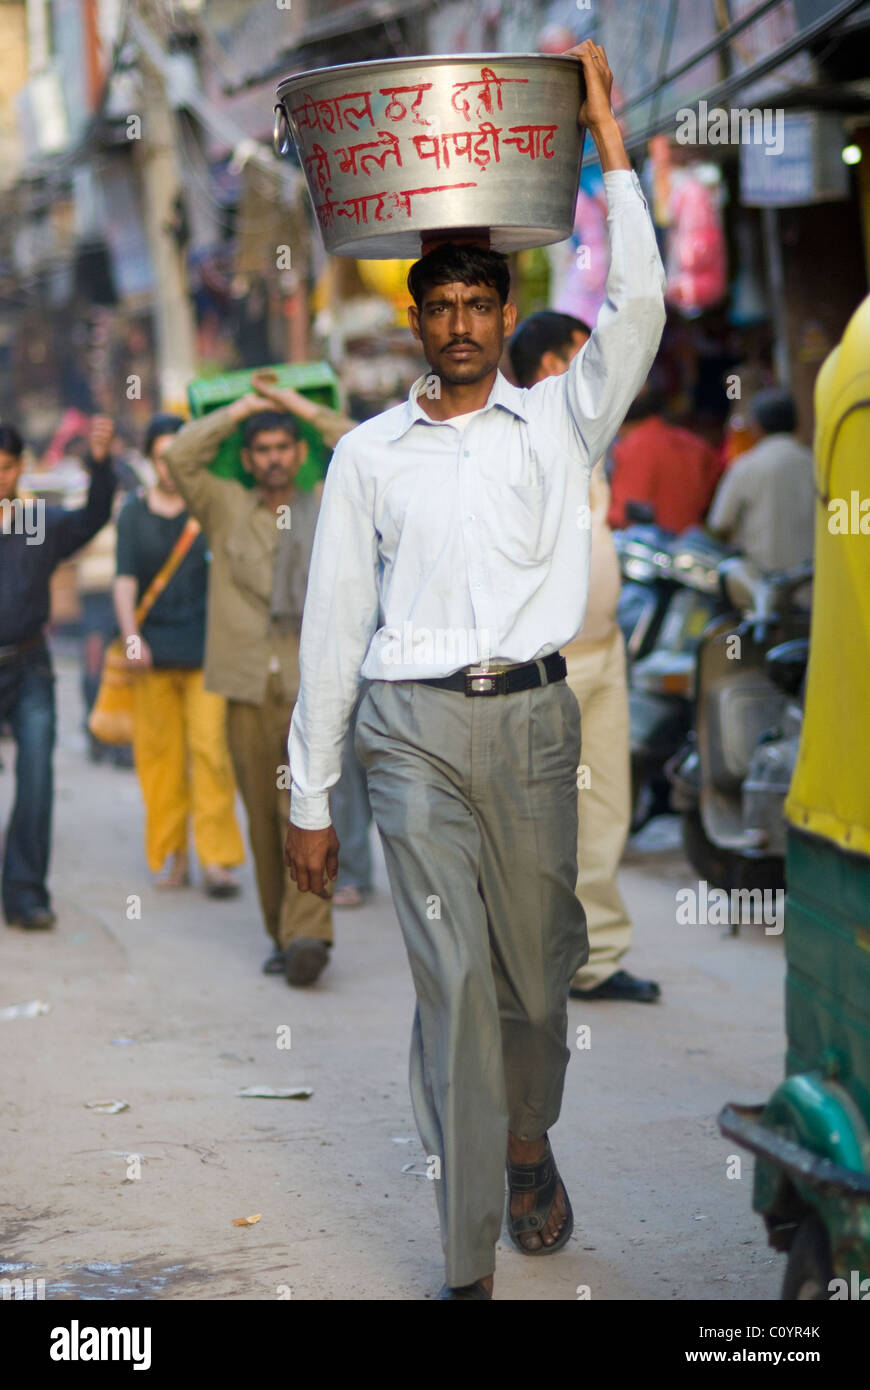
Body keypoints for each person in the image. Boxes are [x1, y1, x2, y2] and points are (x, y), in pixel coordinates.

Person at [285, 40, 666, 1299]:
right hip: (410, 734)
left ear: (506, 317)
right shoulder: (367, 457)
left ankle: (526, 1137)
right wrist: (308, 796)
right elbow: (336, 625)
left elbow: (641, 309)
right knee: (451, 983)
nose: (457, 324)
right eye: (438, 306)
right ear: (415, 321)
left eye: (477, 305)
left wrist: (607, 142)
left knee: (537, 983)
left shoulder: (561, 420)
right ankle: (465, 1265)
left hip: (536, 726)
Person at [164, 377, 355, 986]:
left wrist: (297, 406)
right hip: (246, 683)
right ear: (248, 459)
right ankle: (283, 935)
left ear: (297, 454)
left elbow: (359, 444)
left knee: (308, 805)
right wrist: (242, 408)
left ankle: (310, 933)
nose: (273, 458)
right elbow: (179, 455)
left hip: (311, 682)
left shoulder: (328, 500)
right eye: (262, 449)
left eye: (283, 447)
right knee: (262, 816)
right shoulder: (224, 505)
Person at [509, 311, 660, 1004]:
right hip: (551, 660)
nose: (601, 367)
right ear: (551, 365)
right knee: (542, 816)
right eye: (584, 354)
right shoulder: (523, 436)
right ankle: (533, 958)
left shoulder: (592, 433)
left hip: (605, 652)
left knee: (604, 810)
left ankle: (595, 960)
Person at [114, 414, 245, 896]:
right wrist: (131, 637)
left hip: (207, 653)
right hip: (151, 655)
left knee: (211, 754)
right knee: (160, 759)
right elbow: (124, 580)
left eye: (177, 456)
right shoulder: (133, 512)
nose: (169, 468)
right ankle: (173, 857)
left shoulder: (208, 504)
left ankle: (216, 860)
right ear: (150, 460)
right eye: (160, 458)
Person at [0, 416, 116, 929]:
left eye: (5, 467)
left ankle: (25, 893)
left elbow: (92, 517)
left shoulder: (35, 523)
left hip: (29, 666)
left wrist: (100, 465)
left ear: (19, 467)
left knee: (36, 776)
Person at [707, 387, 814, 572]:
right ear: (796, 423)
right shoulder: (814, 463)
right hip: (811, 576)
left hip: (762, 579)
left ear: (756, 427)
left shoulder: (745, 467)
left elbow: (720, 524)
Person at [607, 376, 722, 531]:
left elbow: (621, 516)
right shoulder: (698, 445)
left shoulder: (634, 447)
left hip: (649, 543)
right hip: (690, 541)